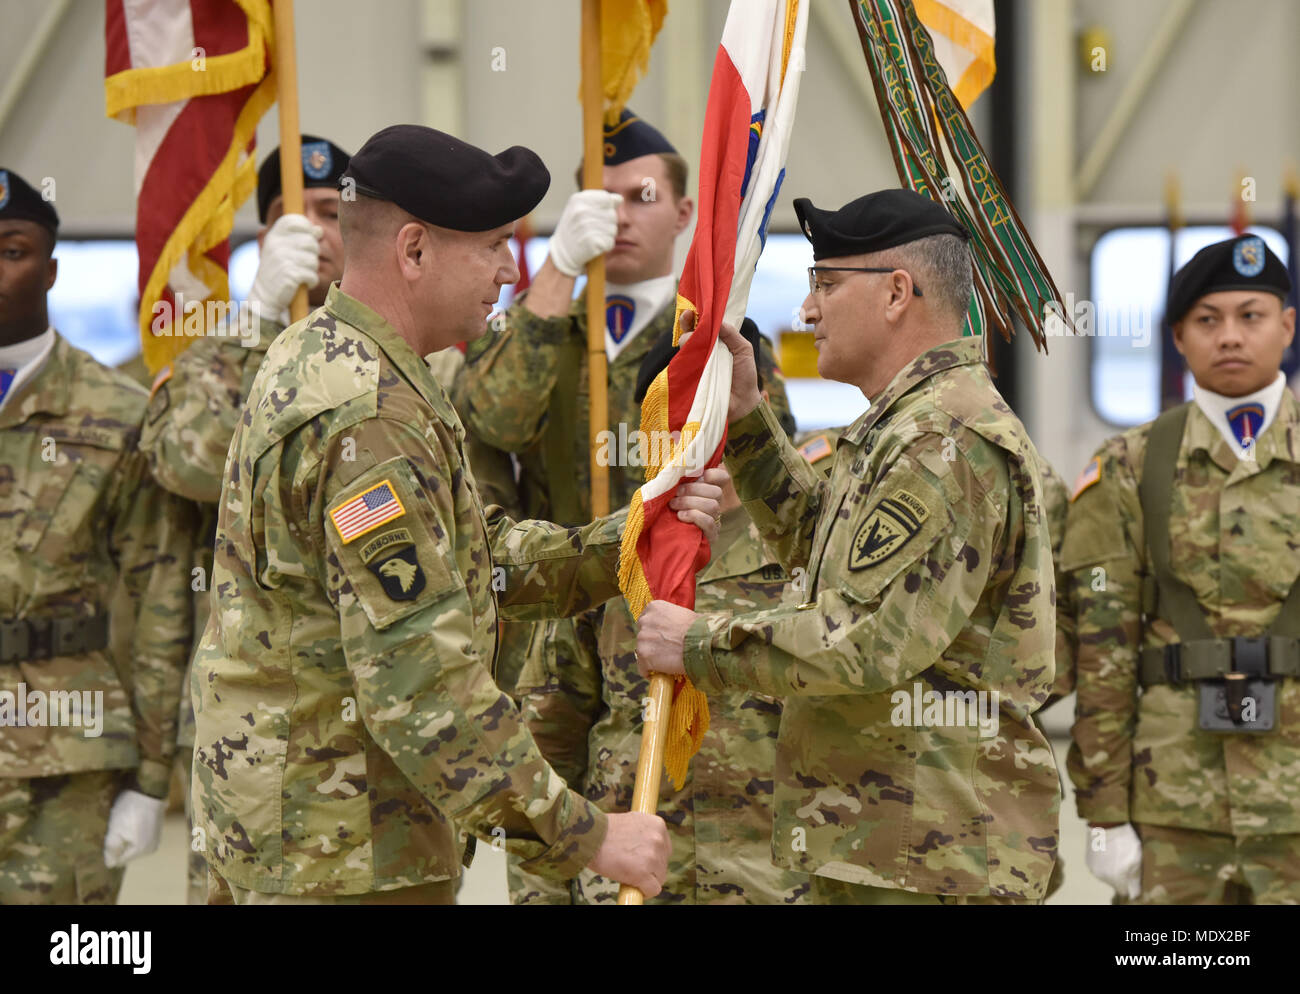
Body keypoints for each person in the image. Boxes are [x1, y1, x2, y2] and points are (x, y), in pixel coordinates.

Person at [190, 125, 724, 905]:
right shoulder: (368, 415)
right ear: (414, 250)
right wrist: (589, 836)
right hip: (339, 852)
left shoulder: (335, 356)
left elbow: (474, 562)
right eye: (492, 247)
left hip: (317, 831)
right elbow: (421, 682)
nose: (510, 271)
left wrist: (635, 536)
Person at [634, 188, 1061, 904]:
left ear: (896, 292)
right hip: (893, 840)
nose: (806, 311)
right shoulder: (905, 426)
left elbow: (868, 639)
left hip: (930, 850)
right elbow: (823, 555)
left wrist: (698, 644)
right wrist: (747, 419)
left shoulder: (940, 439)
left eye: (826, 285)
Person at [458, 109, 795, 698]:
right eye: (602, 201)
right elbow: (496, 421)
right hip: (548, 622)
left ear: (683, 214)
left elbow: (764, 476)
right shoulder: (535, 325)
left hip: (669, 611)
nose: (619, 216)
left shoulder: (716, 338)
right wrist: (560, 268)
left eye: (641, 197)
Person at [512, 338, 827, 905]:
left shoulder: (812, 550)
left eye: (715, 406)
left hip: (777, 886)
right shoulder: (605, 560)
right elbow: (548, 746)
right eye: (679, 412)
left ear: (761, 409)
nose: (700, 431)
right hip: (630, 888)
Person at [138, 135, 351, 904]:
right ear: (265, 234)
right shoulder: (211, 361)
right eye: (296, 214)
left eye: (333, 212)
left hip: (363, 702)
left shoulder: (396, 356)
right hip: (244, 718)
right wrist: (257, 315)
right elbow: (191, 462)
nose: (317, 232)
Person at [1065, 233, 1300, 904]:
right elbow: (1103, 650)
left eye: (1250, 316)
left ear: (1287, 326)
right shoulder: (1132, 464)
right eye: (1207, 319)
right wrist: (1105, 814)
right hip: (1173, 805)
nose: (1230, 336)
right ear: (1178, 338)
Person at [0, 167, 193, 903]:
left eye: (13, 251)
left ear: (51, 269)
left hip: (64, 759)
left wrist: (152, 777)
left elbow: (162, 599)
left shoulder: (116, 413)